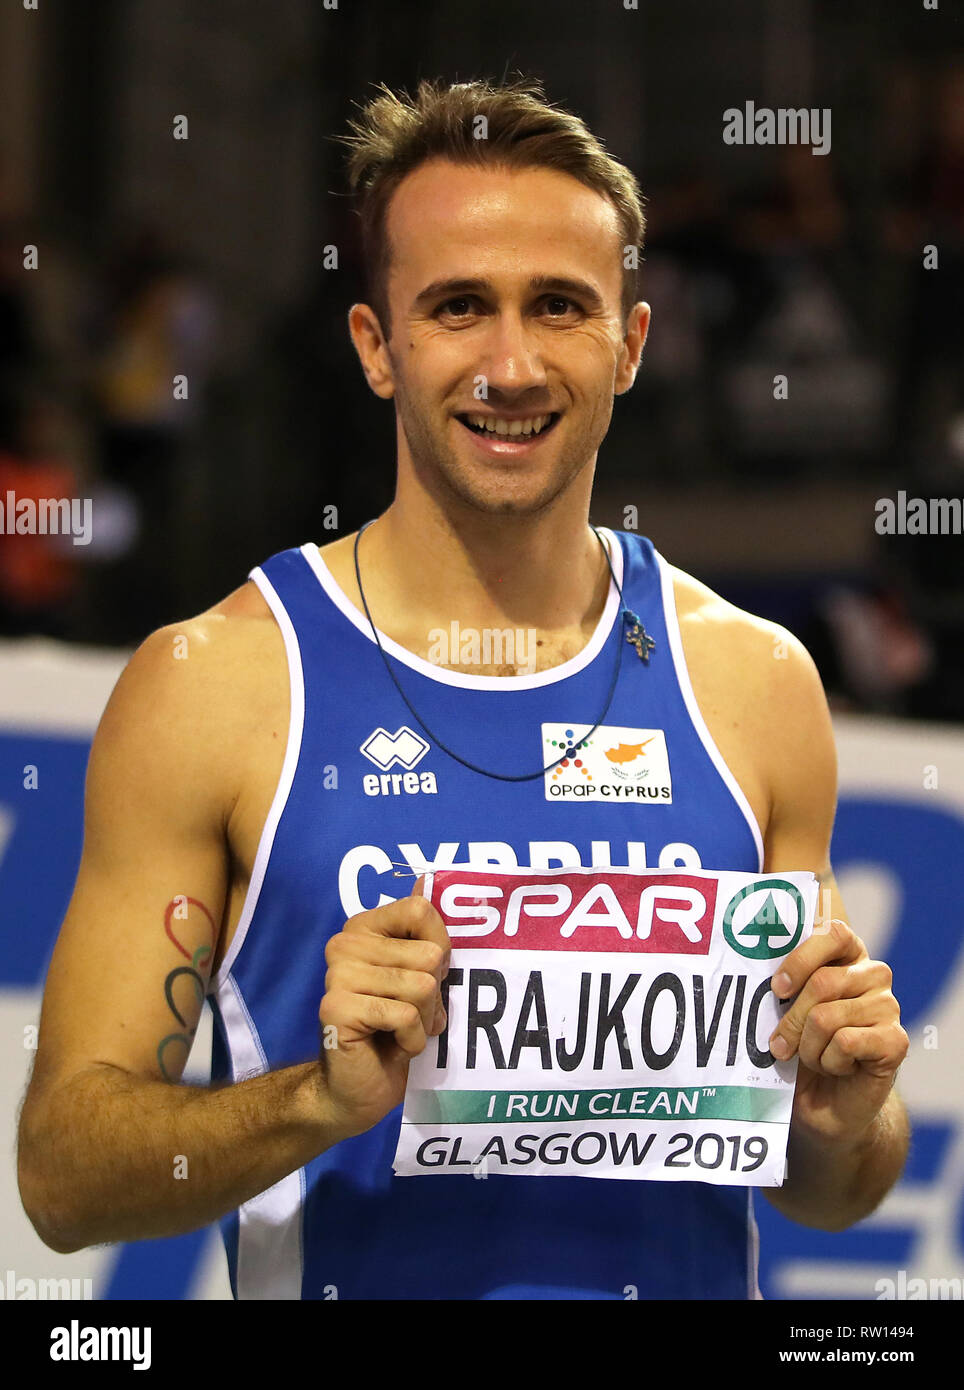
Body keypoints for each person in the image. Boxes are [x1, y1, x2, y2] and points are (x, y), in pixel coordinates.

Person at [17, 77, 909, 1300]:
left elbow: (829, 1187)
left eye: (558, 305)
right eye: (456, 307)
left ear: (628, 344)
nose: (510, 364)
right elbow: (66, 1179)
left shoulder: (753, 680)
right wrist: (316, 1099)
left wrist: (843, 1113)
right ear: (377, 348)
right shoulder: (218, 681)